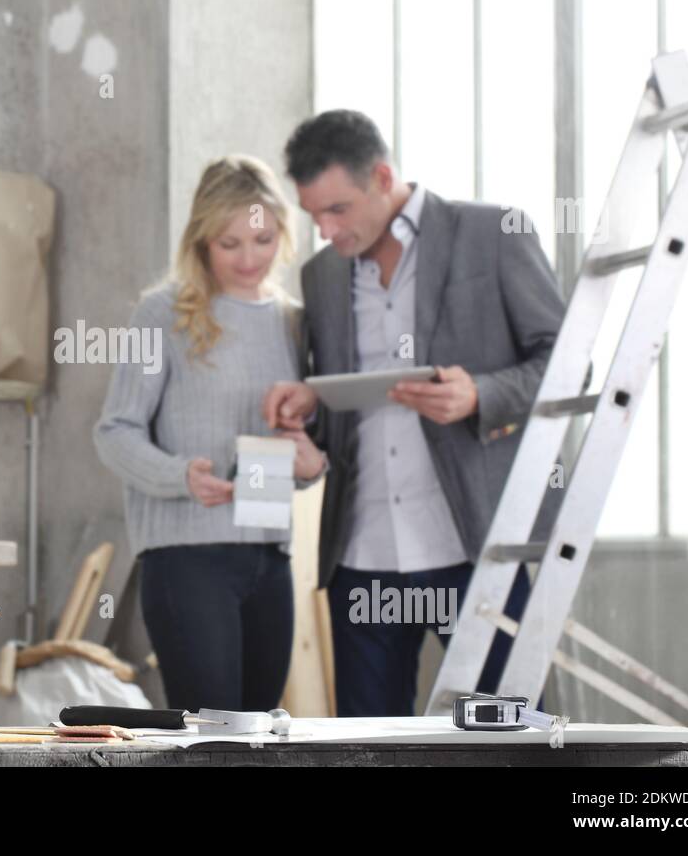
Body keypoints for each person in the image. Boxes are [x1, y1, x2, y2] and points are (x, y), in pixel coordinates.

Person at [263, 110, 566, 716]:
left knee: (504, 742)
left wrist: (480, 394)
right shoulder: (322, 276)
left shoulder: (492, 233)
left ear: (382, 176)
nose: (324, 229)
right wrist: (309, 416)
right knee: (368, 751)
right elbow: (340, 413)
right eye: (313, 213)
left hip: (473, 545)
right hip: (363, 557)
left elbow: (566, 362)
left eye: (338, 210)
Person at [94, 154, 326, 713]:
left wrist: (310, 464)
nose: (250, 259)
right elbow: (114, 432)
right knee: (212, 736)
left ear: (284, 234)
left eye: (263, 240)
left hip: (270, 557)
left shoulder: (295, 322)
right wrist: (180, 476)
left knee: (256, 740)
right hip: (185, 558)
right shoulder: (162, 313)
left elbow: (305, 457)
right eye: (230, 244)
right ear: (201, 240)